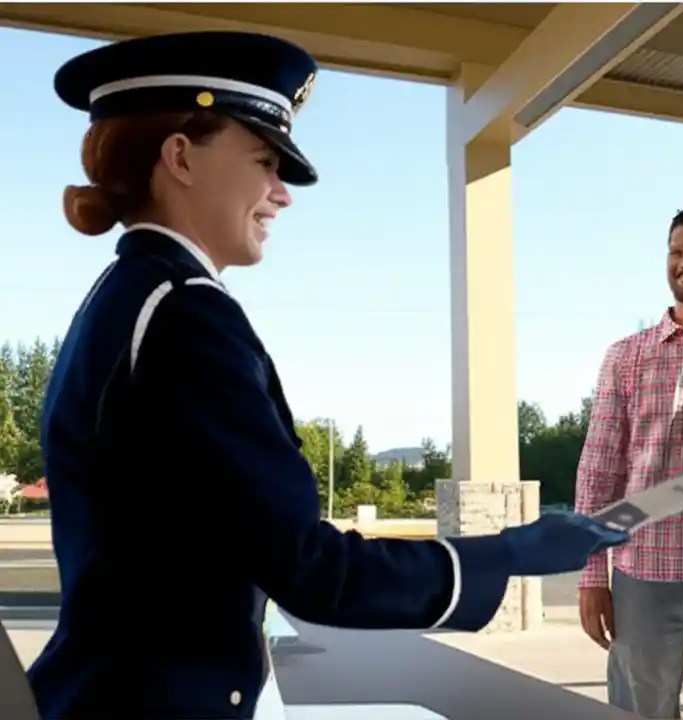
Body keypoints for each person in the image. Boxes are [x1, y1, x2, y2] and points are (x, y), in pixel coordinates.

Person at [28, 31, 628, 720]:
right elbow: (309, 568)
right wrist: (507, 552)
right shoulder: (185, 315)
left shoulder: (132, 294)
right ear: (181, 157)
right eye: (263, 161)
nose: (279, 194)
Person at [574, 205, 683, 719]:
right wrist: (592, 575)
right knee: (640, 712)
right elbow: (598, 470)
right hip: (645, 567)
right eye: (677, 251)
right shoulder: (626, 356)